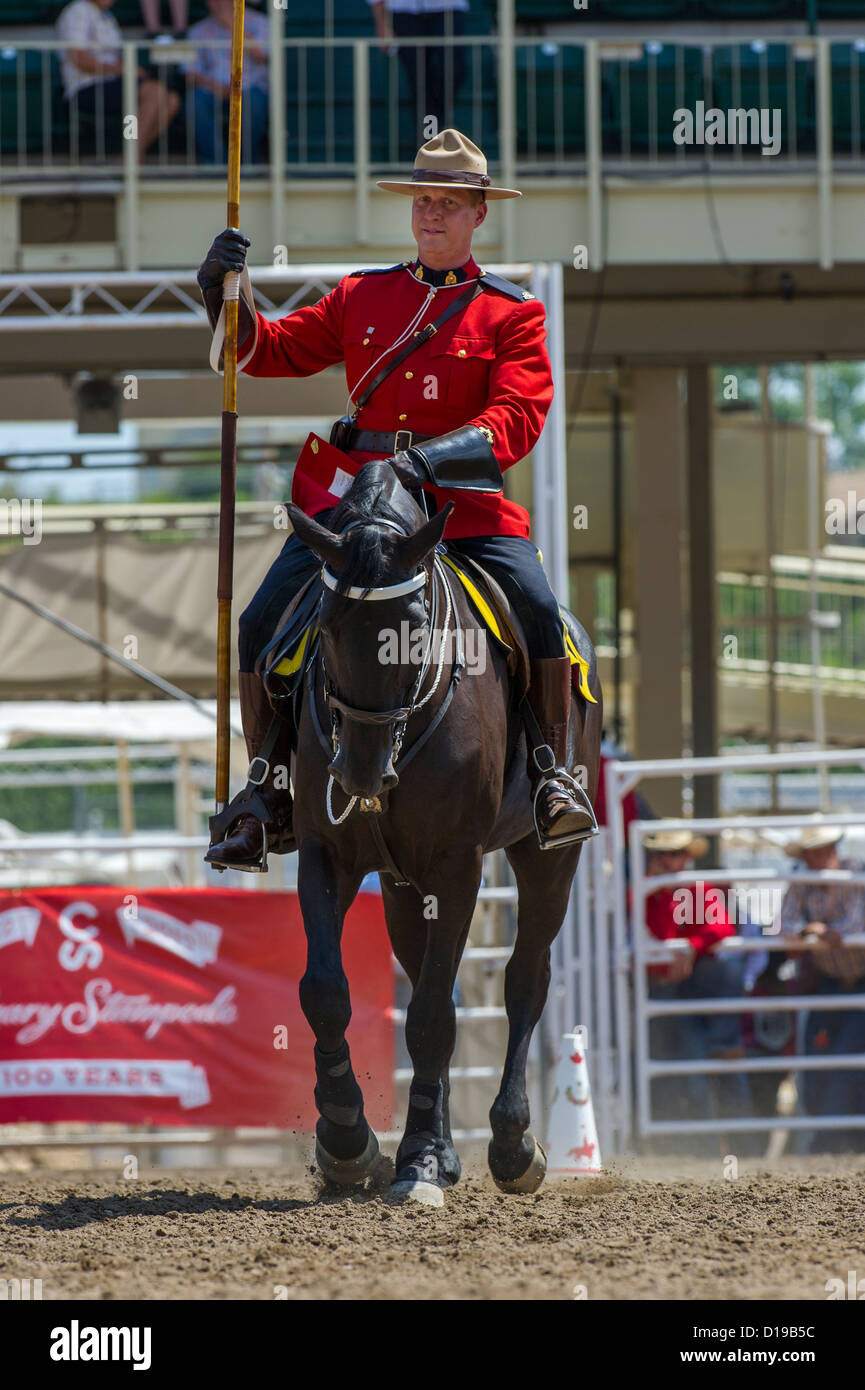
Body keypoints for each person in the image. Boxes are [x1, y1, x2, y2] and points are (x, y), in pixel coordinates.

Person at [196, 127, 599, 870]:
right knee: (260, 621)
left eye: (449, 203)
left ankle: (549, 775)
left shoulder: (511, 312)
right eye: (422, 201)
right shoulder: (362, 294)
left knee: (542, 613)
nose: (432, 215)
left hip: (460, 510)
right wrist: (225, 298)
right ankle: (263, 791)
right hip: (356, 509)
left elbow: (516, 418)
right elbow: (267, 352)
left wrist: (426, 462)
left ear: (480, 213)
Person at [642, 829, 750, 1152]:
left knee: (700, 1063)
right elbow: (659, 938)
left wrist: (689, 947)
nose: (668, 861)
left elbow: (721, 926)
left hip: (692, 990)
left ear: (687, 857)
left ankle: (722, 1039)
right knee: (689, 1070)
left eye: (675, 854)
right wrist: (683, 950)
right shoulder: (647, 892)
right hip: (670, 991)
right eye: (662, 855)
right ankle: (699, 1147)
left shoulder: (694, 889)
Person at [778, 826, 865, 1153]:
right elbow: (782, 924)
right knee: (818, 1058)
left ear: (835, 849)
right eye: (813, 852)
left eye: (824, 849)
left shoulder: (857, 874)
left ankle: (829, 1141)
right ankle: (833, 1137)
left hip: (858, 983)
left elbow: (855, 926)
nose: (819, 857)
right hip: (830, 982)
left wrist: (820, 933)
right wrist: (807, 930)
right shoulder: (804, 882)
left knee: (844, 1058)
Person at [57, 0, 180, 160]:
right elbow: (79, 59)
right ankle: (132, 156)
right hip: (86, 86)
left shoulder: (107, 16)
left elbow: (113, 58)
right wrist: (124, 69)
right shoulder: (78, 11)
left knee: (171, 101)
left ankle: (131, 152)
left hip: (115, 83)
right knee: (153, 92)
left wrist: (132, 70)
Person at [183, 0, 269, 164]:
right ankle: (215, 163)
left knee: (254, 104)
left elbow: (261, 55)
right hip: (213, 87)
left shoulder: (260, 23)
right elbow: (189, 71)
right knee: (194, 102)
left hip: (249, 87)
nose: (216, 4)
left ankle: (247, 162)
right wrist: (213, 86)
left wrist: (232, 24)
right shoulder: (198, 30)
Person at [368, 0, 469, 129]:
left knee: (454, 69)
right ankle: (430, 136)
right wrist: (382, 25)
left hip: (448, 9)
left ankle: (436, 124)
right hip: (404, 13)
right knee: (419, 81)